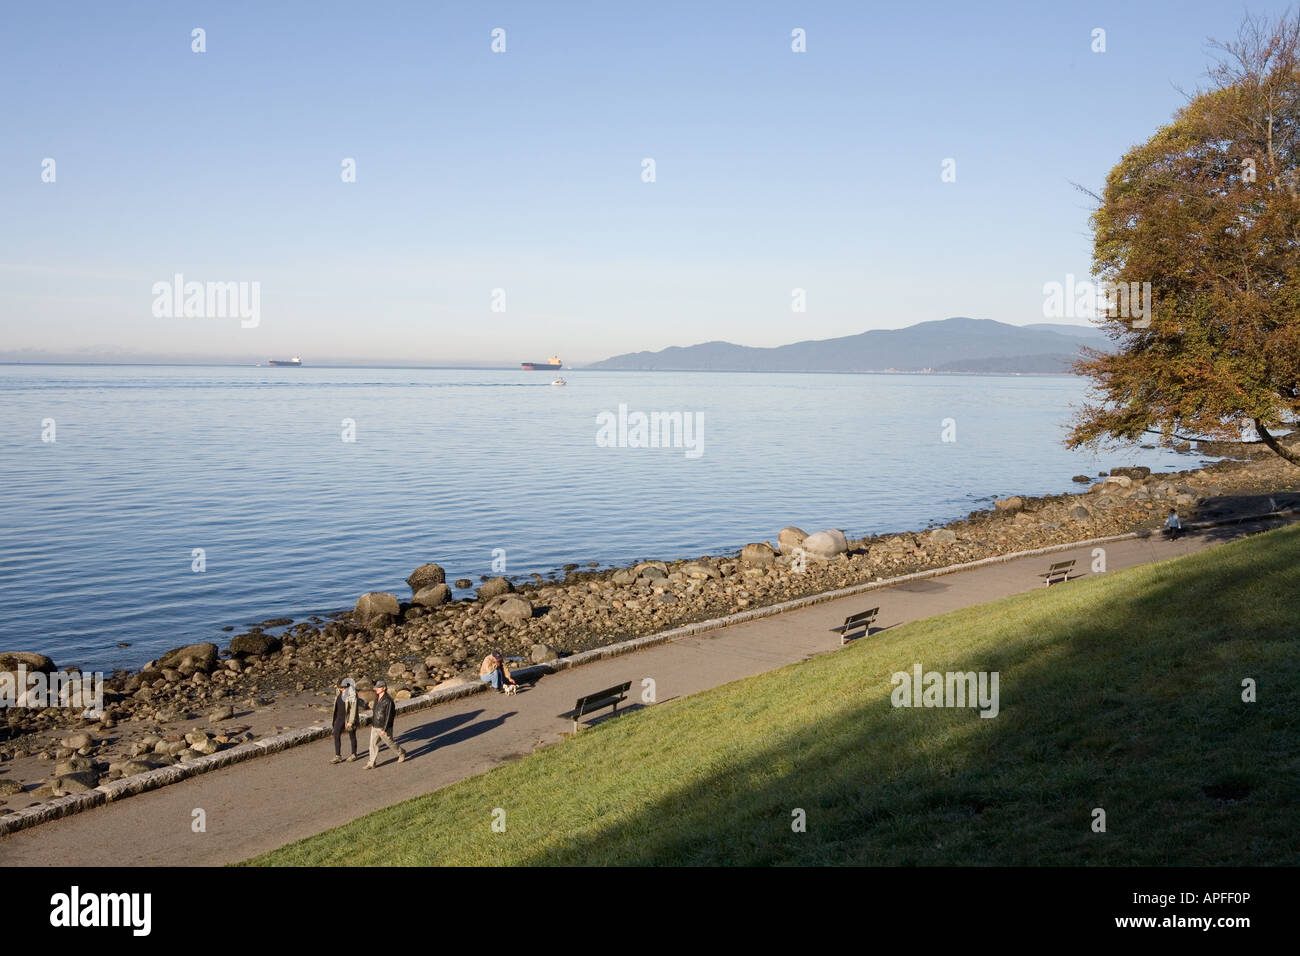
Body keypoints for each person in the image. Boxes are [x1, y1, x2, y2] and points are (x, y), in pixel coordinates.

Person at [364, 679, 406, 769]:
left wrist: (385, 729)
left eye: (378, 688)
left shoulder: (388, 701)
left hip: (383, 727)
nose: (376, 689)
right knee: (372, 744)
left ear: (383, 688)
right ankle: (371, 763)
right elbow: (375, 711)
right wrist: (372, 722)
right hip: (375, 725)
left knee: (390, 742)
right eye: (376, 688)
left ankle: (401, 752)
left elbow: (389, 716)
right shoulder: (377, 698)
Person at [330, 677, 362, 764]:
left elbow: (353, 709)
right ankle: (338, 756)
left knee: (352, 735)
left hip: (348, 717)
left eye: (342, 688)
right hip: (339, 717)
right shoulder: (338, 691)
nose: (341, 689)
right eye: (339, 687)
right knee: (336, 734)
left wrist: (351, 721)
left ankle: (354, 754)